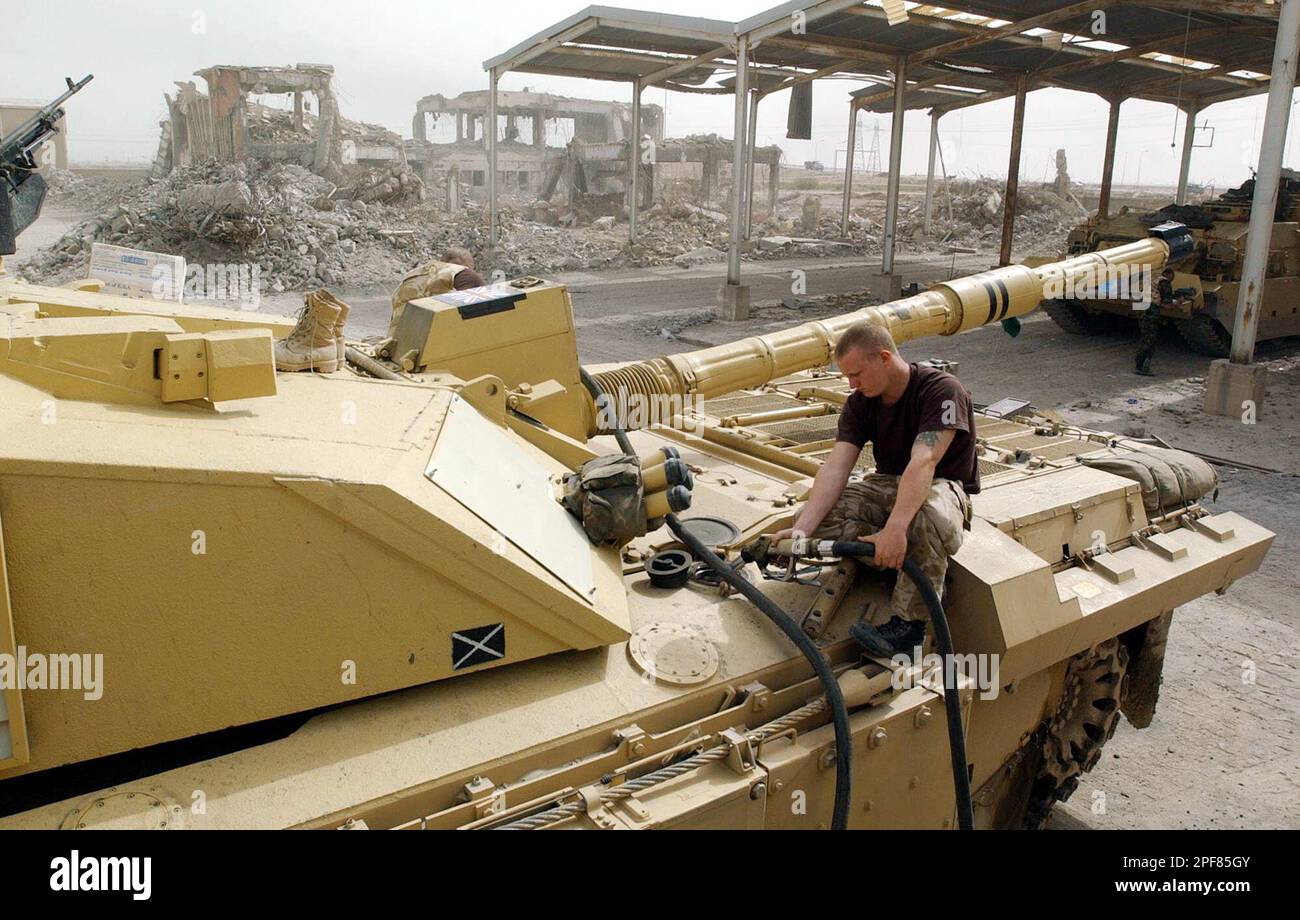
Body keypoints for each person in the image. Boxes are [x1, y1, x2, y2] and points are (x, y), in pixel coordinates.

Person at [771, 322, 977, 658]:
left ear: (884, 358)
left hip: (940, 483)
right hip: (887, 483)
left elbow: (925, 460)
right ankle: (887, 555)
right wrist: (801, 530)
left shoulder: (941, 390)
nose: (852, 384)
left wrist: (896, 528)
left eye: (856, 374)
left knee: (928, 517)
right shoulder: (861, 403)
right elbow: (837, 468)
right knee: (817, 519)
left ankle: (908, 628)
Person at [387, 247, 487, 338]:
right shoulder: (463, 273)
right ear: (463, 264)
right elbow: (477, 310)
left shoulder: (413, 275)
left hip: (397, 340)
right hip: (432, 343)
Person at [1135, 268, 1171, 377]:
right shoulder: (1164, 282)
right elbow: (1167, 305)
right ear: (1169, 274)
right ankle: (1143, 367)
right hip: (1151, 311)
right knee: (1150, 339)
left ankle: (1139, 363)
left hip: (1141, 308)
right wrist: (1178, 303)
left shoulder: (1152, 278)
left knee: (1144, 337)